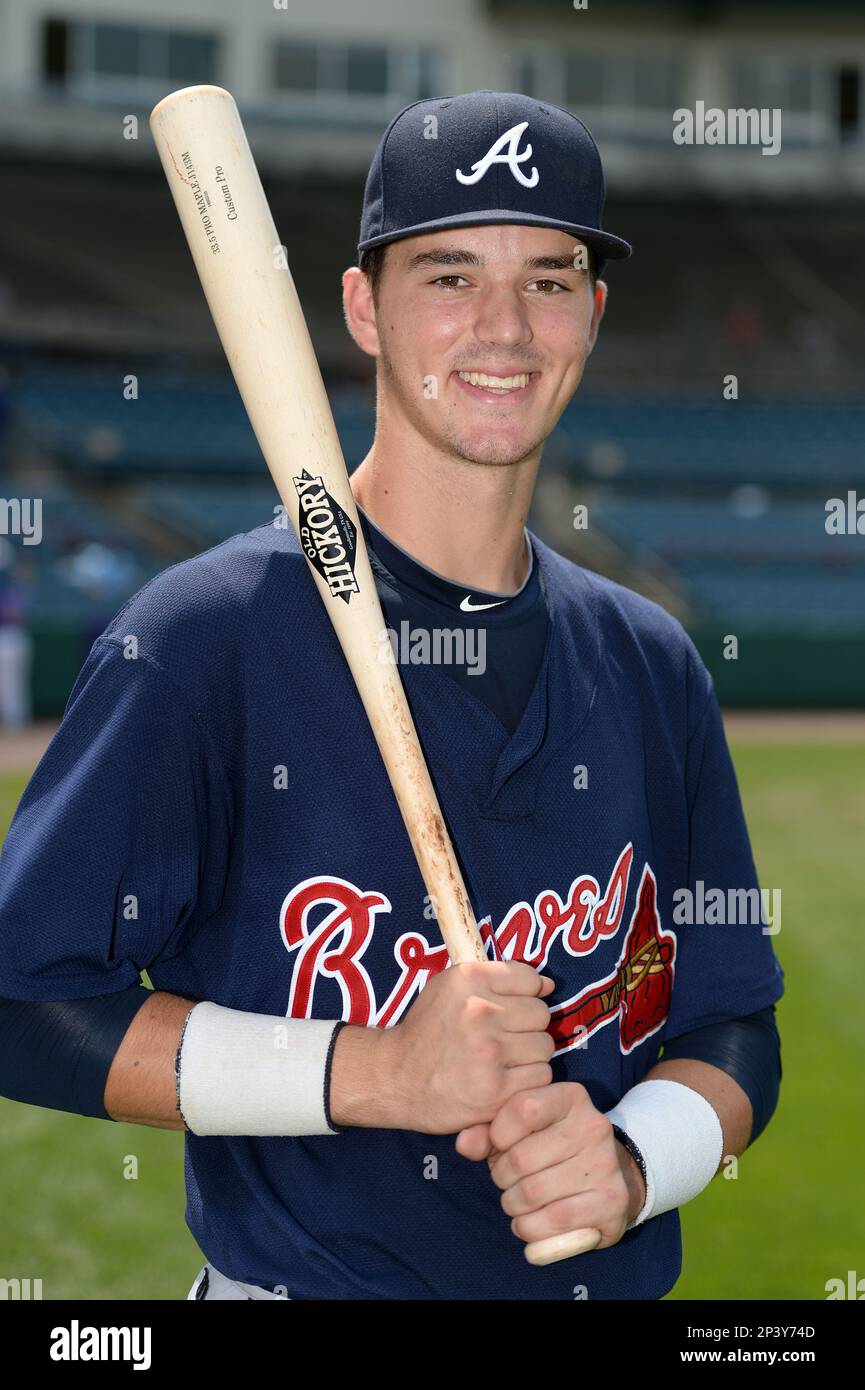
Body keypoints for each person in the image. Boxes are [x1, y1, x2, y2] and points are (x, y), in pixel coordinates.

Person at [0, 91, 783, 1301]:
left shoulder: (650, 661)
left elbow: (734, 1030)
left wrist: (632, 1159)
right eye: (450, 275)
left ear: (592, 314)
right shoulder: (203, 642)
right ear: (363, 306)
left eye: (550, 278)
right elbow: (25, 1005)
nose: (505, 329)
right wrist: (371, 1071)